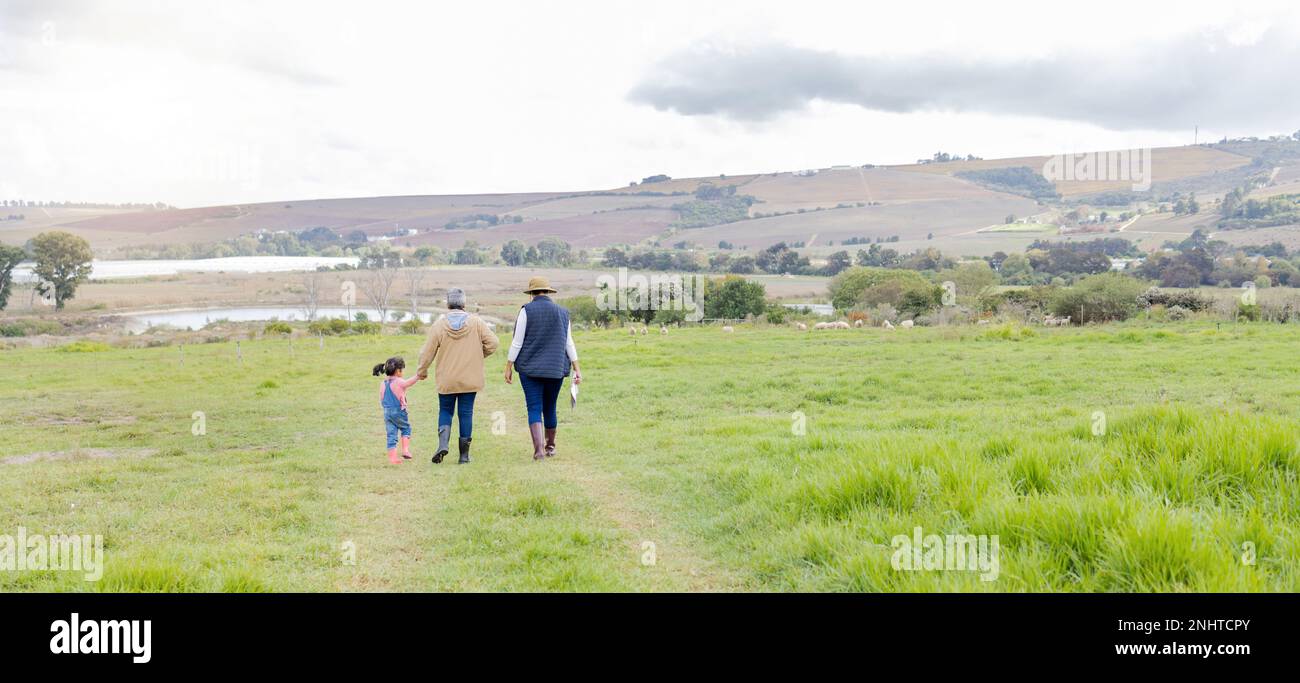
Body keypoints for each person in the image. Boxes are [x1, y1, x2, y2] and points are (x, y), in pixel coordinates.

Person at [416, 288, 499, 464]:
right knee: (466, 413)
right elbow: (493, 342)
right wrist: (478, 355)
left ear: (448, 304)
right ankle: (464, 456)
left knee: (445, 411)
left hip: (447, 379)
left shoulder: (439, 325)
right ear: (463, 304)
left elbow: (426, 353)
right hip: (470, 378)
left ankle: (443, 444)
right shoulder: (476, 322)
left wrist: (422, 371)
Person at [503, 276, 582, 461]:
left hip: (529, 370)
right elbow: (569, 343)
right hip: (555, 369)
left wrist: (508, 366)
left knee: (534, 407)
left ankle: (538, 451)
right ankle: (551, 447)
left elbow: (517, 342)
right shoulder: (563, 312)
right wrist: (577, 368)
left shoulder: (526, 311)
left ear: (531, 294)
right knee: (550, 407)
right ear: (548, 292)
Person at [373, 356, 421, 464]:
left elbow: (381, 397)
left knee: (391, 434)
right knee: (406, 429)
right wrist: (418, 376)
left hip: (387, 412)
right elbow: (408, 383)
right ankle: (405, 451)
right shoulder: (399, 381)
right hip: (398, 410)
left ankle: (392, 458)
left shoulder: (383, 383)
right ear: (398, 371)